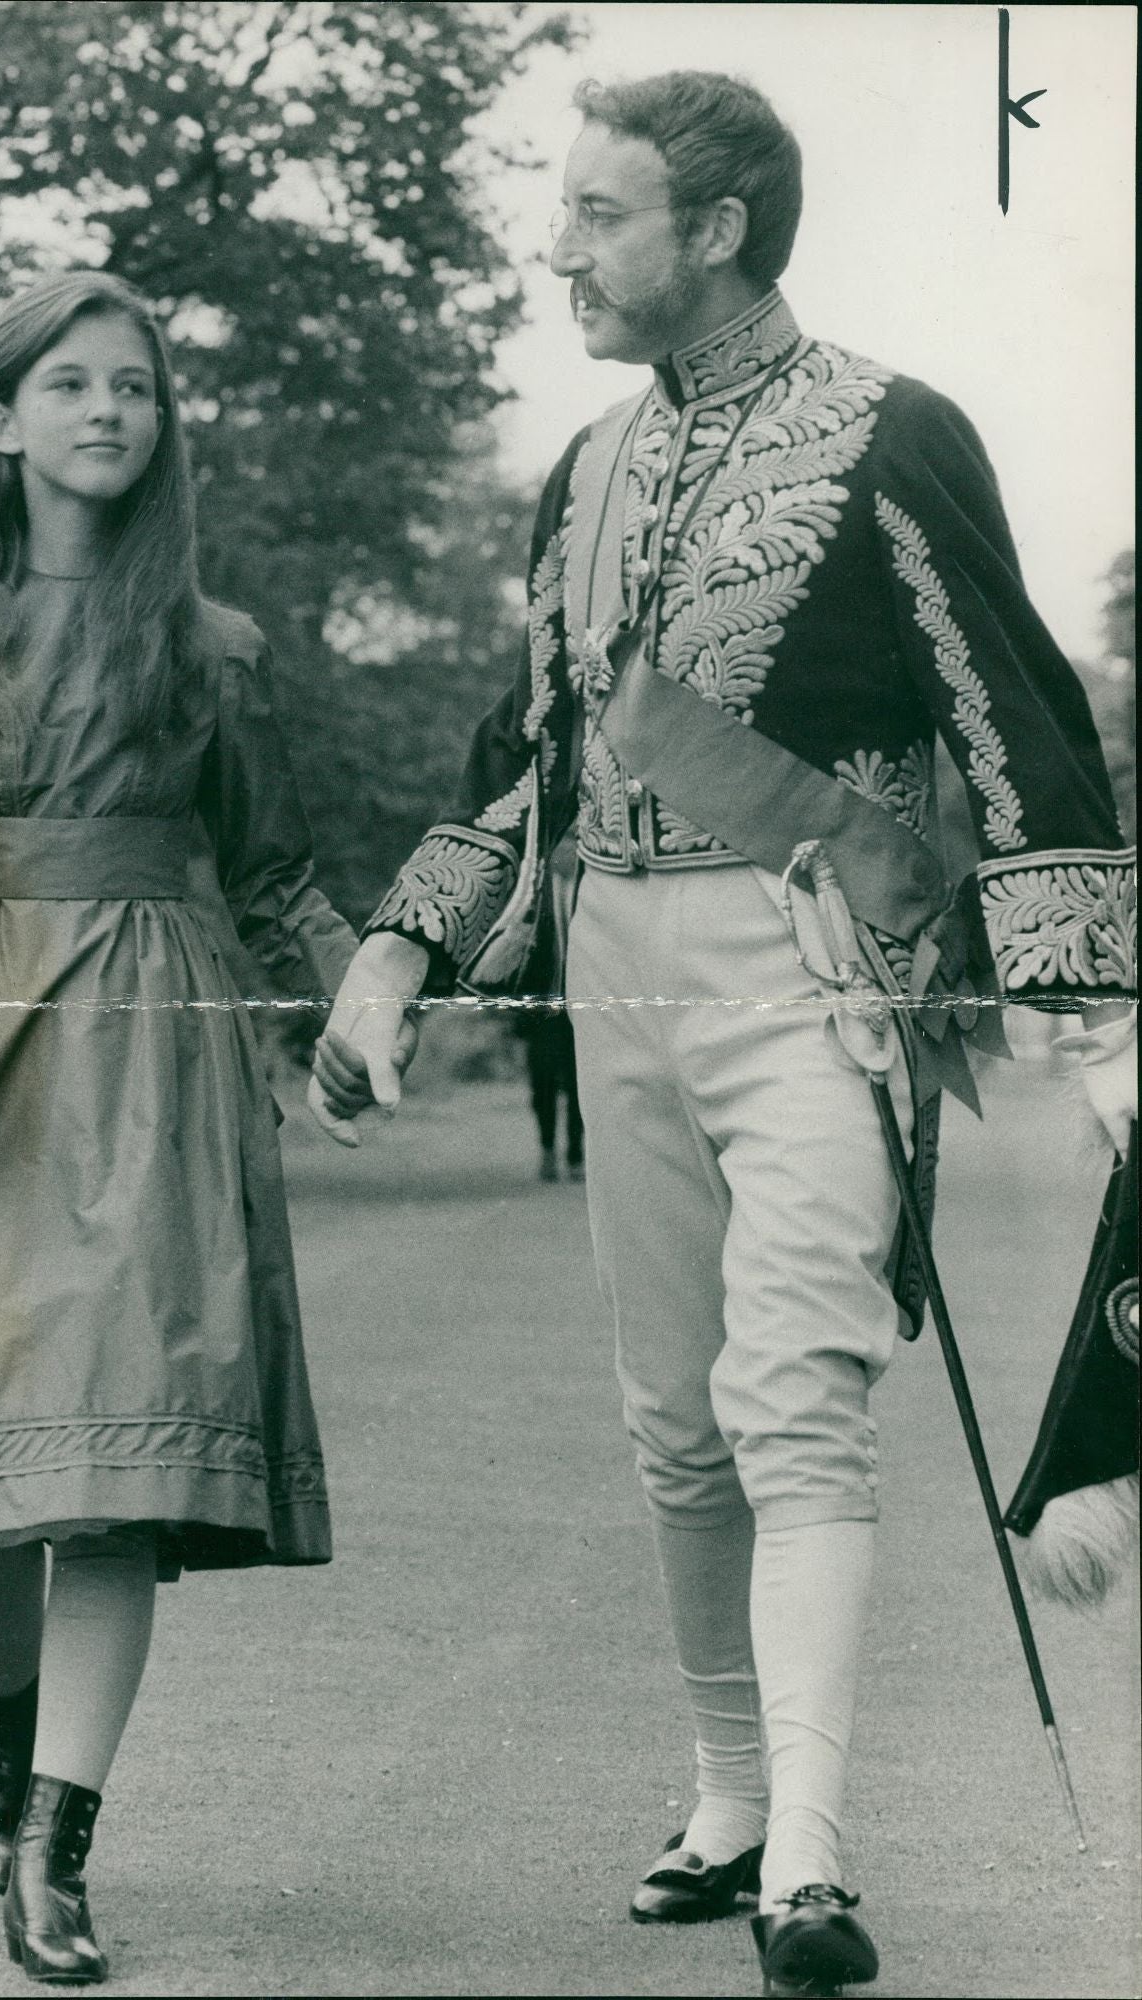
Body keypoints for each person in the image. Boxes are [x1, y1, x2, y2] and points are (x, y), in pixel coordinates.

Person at [307, 71, 1138, 1998]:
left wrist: (1092, 1014)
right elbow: (521, 752)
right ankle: (729, 1798)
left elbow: (1013, 718)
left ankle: (817, 1869)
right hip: (614, 966)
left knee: (793, 1401)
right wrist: (394, 955)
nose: (558, 251)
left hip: (807, 966)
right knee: (673, 1421)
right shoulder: (581, 474)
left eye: (597, 216)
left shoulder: (887, 432)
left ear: (716, 231)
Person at [0, 270, 358, 1987]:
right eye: (76, 385)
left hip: (160, 1073)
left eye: (139, 388)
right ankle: (9, 1729)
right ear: (0, 420)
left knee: (114, 1476)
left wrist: (351, 1006)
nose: (113, 411)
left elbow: (274, 878)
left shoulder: (212, 645)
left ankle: (56, 1846)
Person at [513, 840, 584, 1181]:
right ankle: (546, 1149)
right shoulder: (535, 897)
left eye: (574, 846)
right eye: (563, 847)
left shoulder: (589, 895)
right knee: (541, 1082)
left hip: (582, 1012)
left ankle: (575, 1154)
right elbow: (518, 955)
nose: (568, 854)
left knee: (579, 1084)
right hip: (542, 1012)